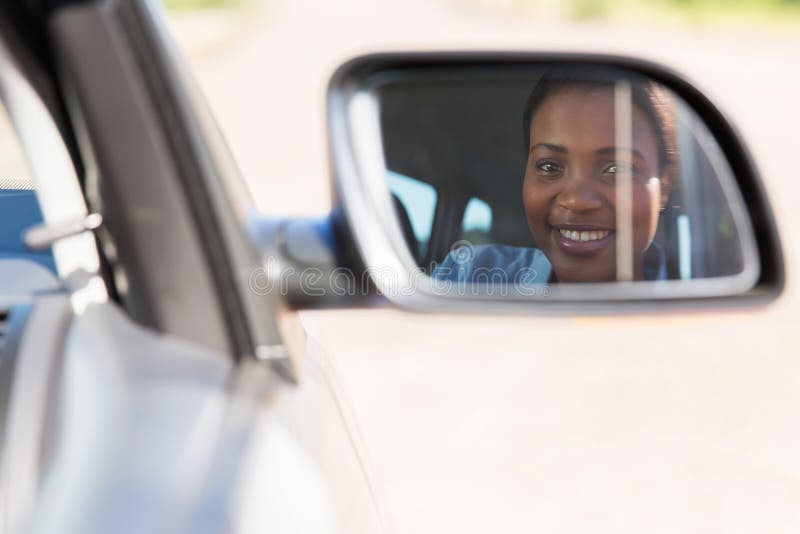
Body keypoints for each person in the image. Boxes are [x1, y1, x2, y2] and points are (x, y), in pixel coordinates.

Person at [433, 71, 676, 285]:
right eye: (549, 166)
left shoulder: (699, 315)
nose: (577, 201)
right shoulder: (470, 276)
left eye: (618, 169)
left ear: (664, 185)